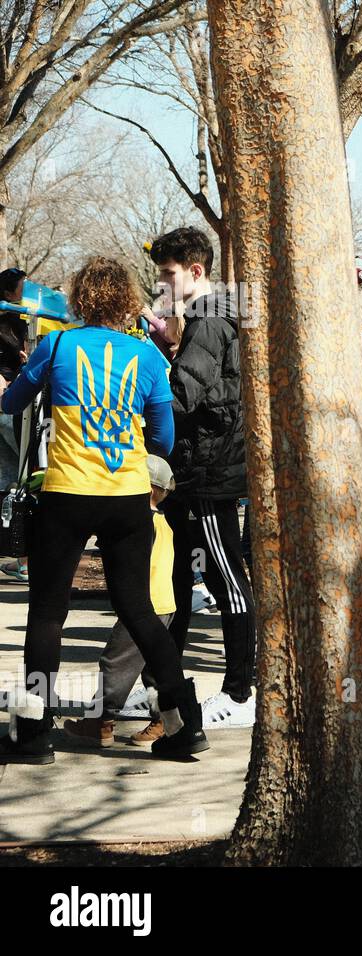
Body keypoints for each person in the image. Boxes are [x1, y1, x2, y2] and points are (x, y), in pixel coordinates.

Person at [0, 256, 208, 763]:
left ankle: (33, 733)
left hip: (67, 493)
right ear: (123, 300)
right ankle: (183, 723)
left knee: (48, 612)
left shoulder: (57, 344)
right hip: (127, 496)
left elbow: (12, 405)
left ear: (80, 299)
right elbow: (162, 437)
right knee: (138, 609)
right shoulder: (146, 358)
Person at [150, 227, 257, 730]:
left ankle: (239, 691)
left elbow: (183, 397)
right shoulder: (208, 317)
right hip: (205, 461)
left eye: (169, 275)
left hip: (211, 467)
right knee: (189, 572)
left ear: (196, 271)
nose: (163, 286)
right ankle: (162, 688)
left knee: (226, 576)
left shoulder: (209, 320)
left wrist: (142, 401)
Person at [62, 456, 179, 748]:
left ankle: (100, 721)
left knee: (116, 662)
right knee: (153, 668)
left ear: (148, 488)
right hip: (166, 604)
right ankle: (163, 720)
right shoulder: (164, 522)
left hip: (144, 606)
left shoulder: (141, 526)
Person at [0, 267, 29, 582]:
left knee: (13, 476)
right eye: (21, 286)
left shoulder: (18, 321)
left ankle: (18, 555)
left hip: (12, 397)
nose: (25, 290)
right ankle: (20, 557)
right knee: (17, 473)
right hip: (6, 402)